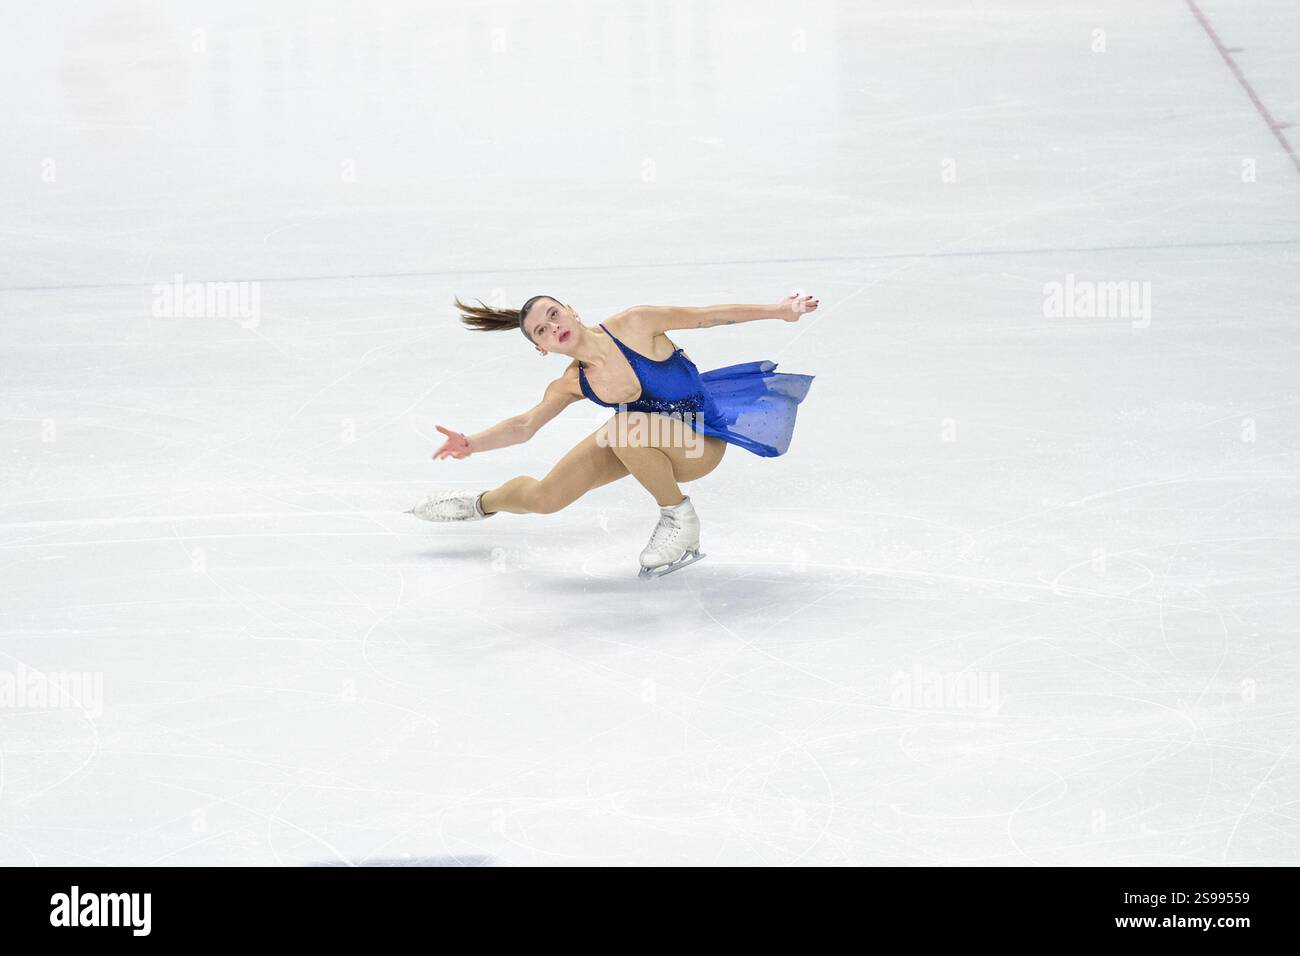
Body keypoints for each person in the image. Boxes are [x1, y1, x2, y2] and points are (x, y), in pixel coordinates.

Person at [409, 293, 817, 577]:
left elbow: (707, 316)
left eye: (553, 315)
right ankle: (479, 503)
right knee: (545, 497)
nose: (552, 328)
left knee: (622, 427)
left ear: (570, 309)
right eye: (540, 332)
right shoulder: (571, 382)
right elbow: (524, 425)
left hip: (700, 441)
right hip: (639, 438)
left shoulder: (636, 324)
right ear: (541, 350)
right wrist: (472, 443)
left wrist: (780, 310)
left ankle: (678, 516)